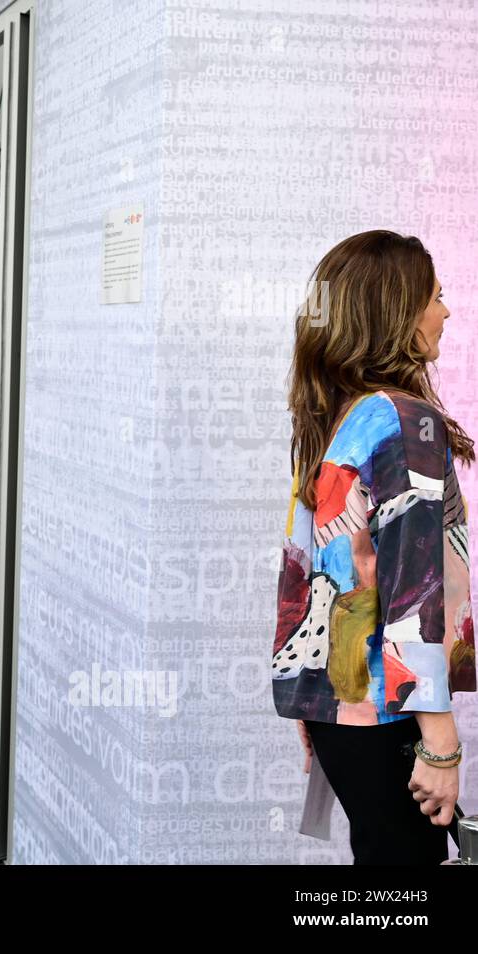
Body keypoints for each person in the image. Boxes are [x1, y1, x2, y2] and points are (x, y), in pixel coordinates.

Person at [276, 230, 474, 864]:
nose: (446, 310)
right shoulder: (404, 419)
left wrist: (314, 700)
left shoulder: (344, 416)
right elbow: (414, 591)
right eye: (436, 296)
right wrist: (440, 741)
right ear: (397, 312)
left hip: (347, 706)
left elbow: (308, 573)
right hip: (390, 714)